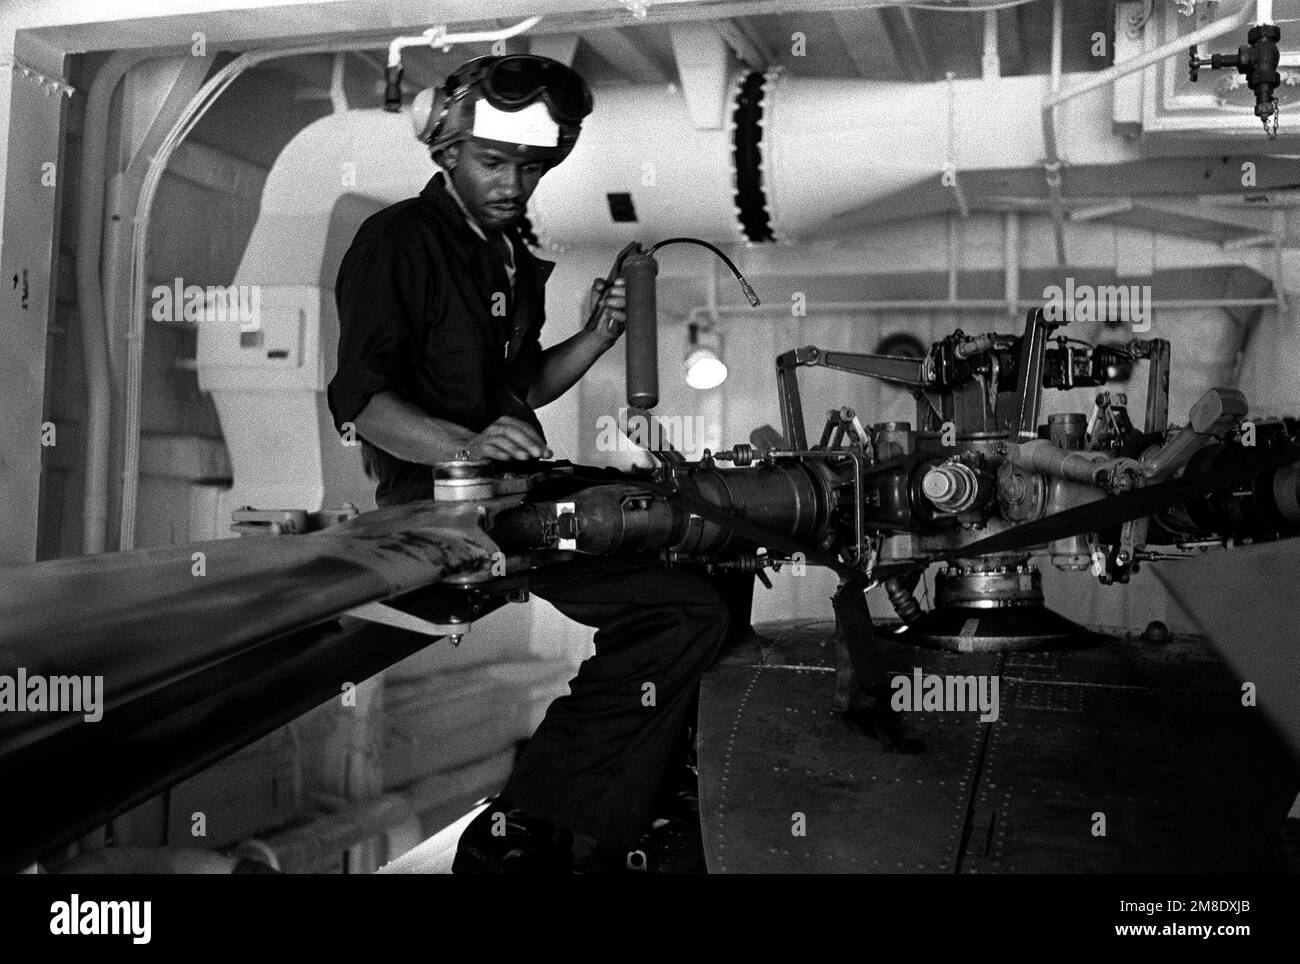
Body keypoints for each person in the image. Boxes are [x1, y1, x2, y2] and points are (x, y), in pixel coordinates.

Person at [327, 55, 733, 873]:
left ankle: (665, 785)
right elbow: (362, 399)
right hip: (439, 500)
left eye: (531, 166)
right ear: (445, 152)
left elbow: (514, 388)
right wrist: (465, 449)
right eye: (493, 162)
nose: (514, 183)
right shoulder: (398, 241)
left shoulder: (510, 254)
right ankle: (532, 820)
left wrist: (597, 338)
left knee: (711, 529)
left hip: (510, 483)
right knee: (684, 614)